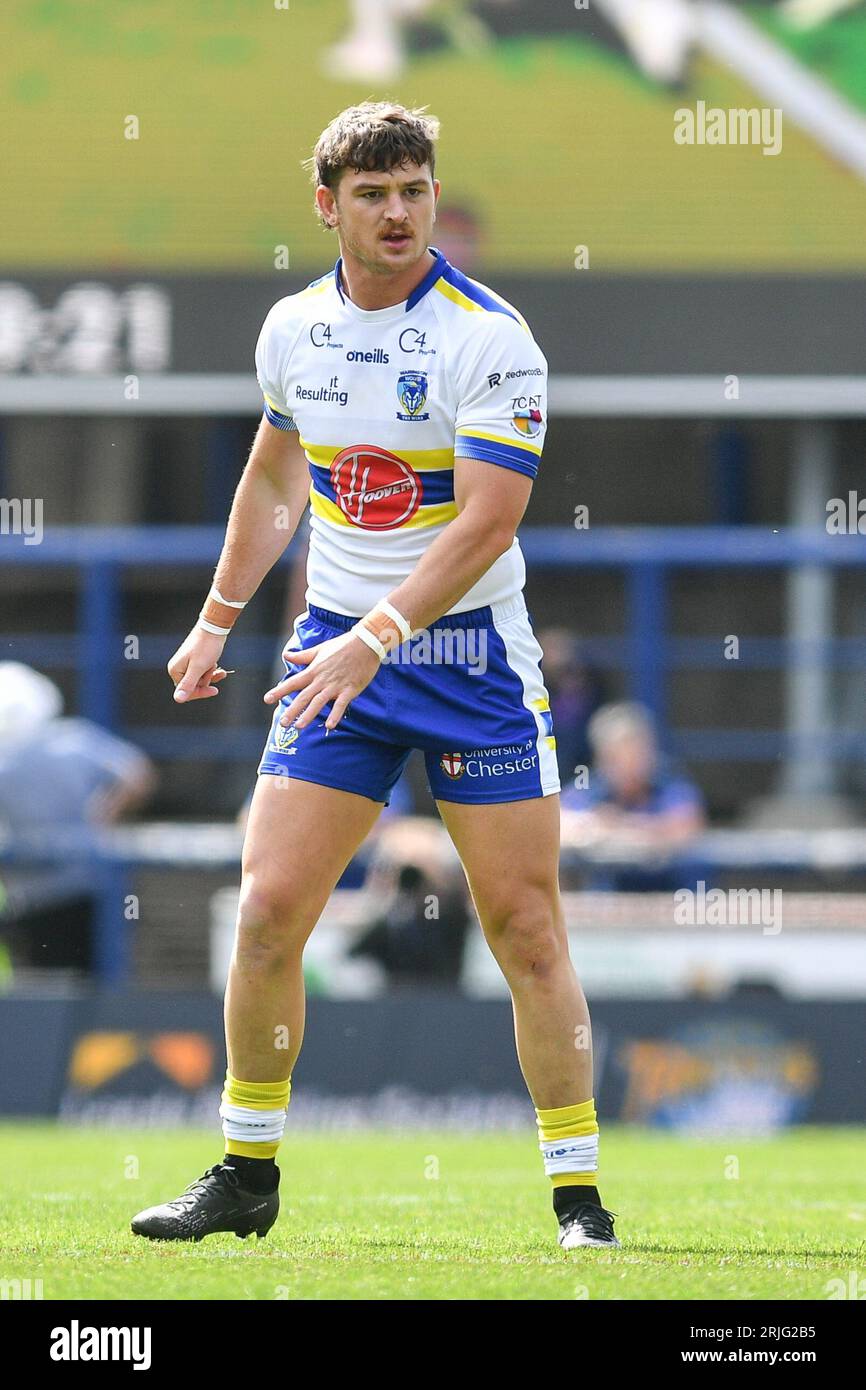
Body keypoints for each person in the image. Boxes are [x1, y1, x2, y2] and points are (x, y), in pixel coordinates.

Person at [132, 102, 617, 1251]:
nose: (398, 212)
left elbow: (488, 524)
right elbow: (271, 482)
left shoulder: (490, 338)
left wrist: (379, 631)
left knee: (525, 927)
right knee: (264, 914)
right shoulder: (292, 328)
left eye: (414, 189)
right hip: (340, 656)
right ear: (327, 205)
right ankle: (245, 1176)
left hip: (464, 661)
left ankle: (577, 1197)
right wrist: (214, 621)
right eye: (373, 193)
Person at [0, 662, 157, 972]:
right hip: (93, 883)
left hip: (33, 896)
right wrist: (105, 812)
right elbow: (138, 774)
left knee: (45, 990)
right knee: (102, 985)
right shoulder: (75, 739)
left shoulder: (6, 762)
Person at [560, 701, 705, 891]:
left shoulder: (668, 782)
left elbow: (686, 826)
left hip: (669, 896)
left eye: (638, 751)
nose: (631, 763)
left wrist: (617, 826)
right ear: (603, 757)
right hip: (607, 904)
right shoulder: (590, 785)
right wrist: (594, 825)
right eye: (619, 755)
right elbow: (561, 825)